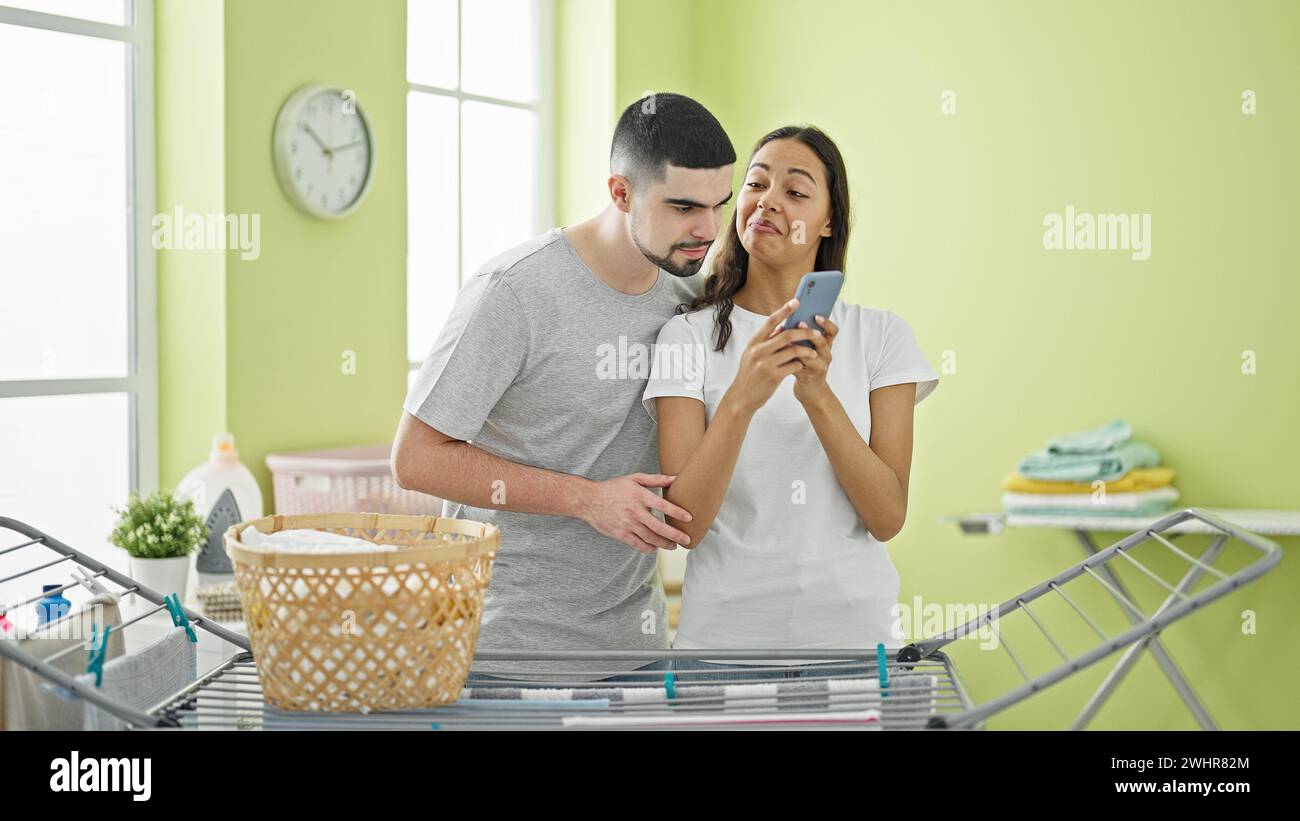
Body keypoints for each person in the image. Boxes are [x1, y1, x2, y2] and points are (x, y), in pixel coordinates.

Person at [392, 93, 736, 680]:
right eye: (682, 206)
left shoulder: (687, 302)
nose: (706, 229)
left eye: (717, 206)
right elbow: (416, 459)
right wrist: (587, 499)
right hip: (501, 658)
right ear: (620, 193)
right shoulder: (515, 293)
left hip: (638, 651)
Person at [641, 125, 940, 681]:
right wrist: (740, 401)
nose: (768, 200)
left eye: (796, 192)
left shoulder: (882, 337)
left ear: (828, 221)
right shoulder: (685, 338)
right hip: (723, 651)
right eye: (756, 184)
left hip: (853, 644)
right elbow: (685, 527)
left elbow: (887, 516)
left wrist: (817, 394)